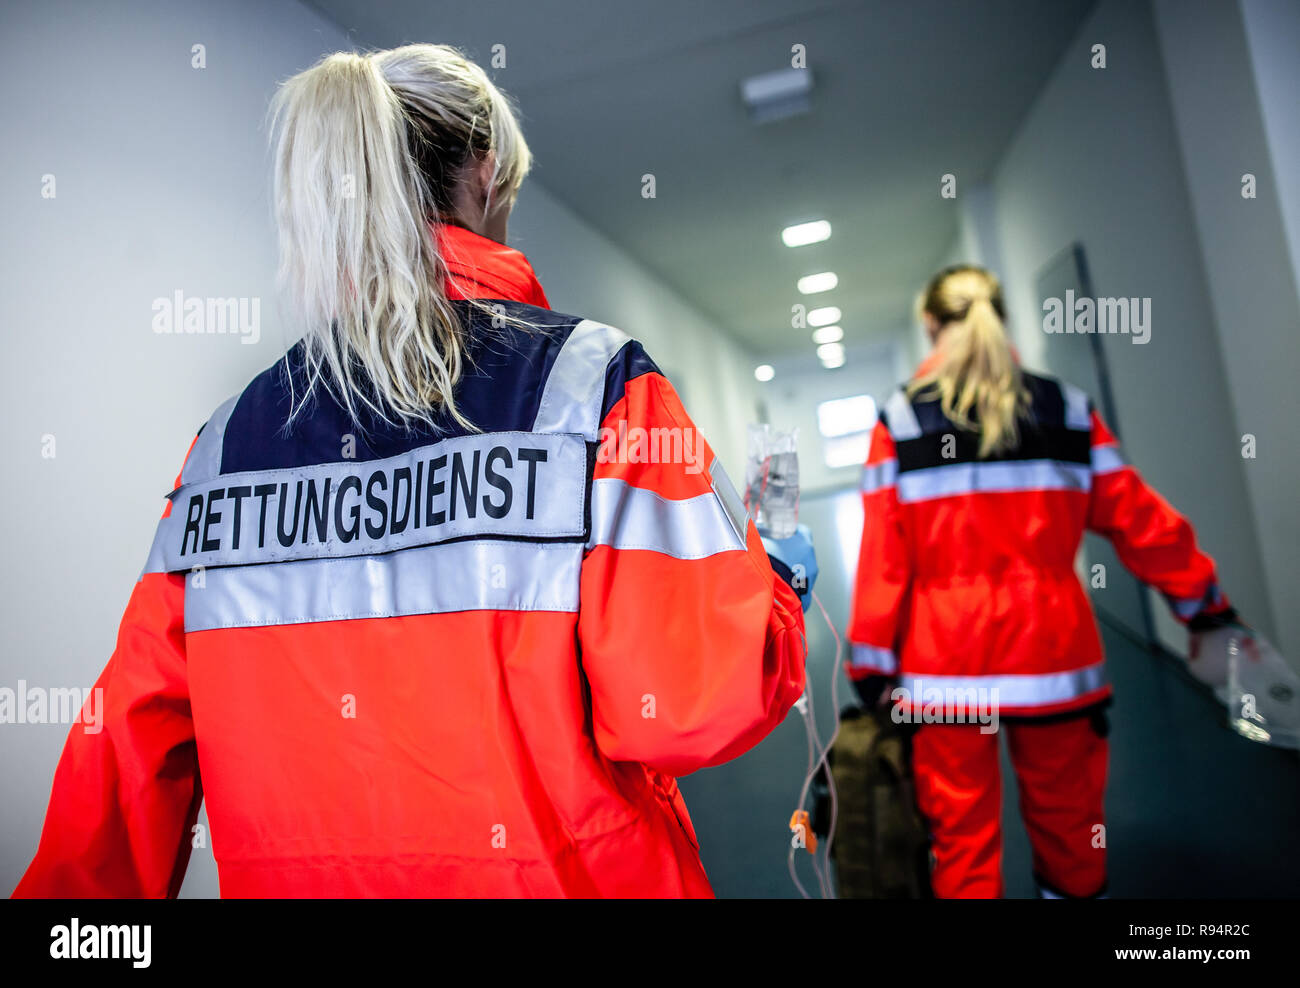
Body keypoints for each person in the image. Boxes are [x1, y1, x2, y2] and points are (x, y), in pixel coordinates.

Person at [13, 44, 811, 898]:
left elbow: (120, 768)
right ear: (489, 170)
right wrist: (779, 579)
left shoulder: (229, 442)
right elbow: (693, 701)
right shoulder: (594, 386)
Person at [847, 265, 1242, 899]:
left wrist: (870, 669)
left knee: (963, 834)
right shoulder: (1067, 409)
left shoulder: (902, 421)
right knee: (1072, 825)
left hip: (947, 667)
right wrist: (1205, 607)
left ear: (930, 326)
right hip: (1055, 655)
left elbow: (882, 562)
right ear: (1000, 314)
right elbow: (1139, 520)